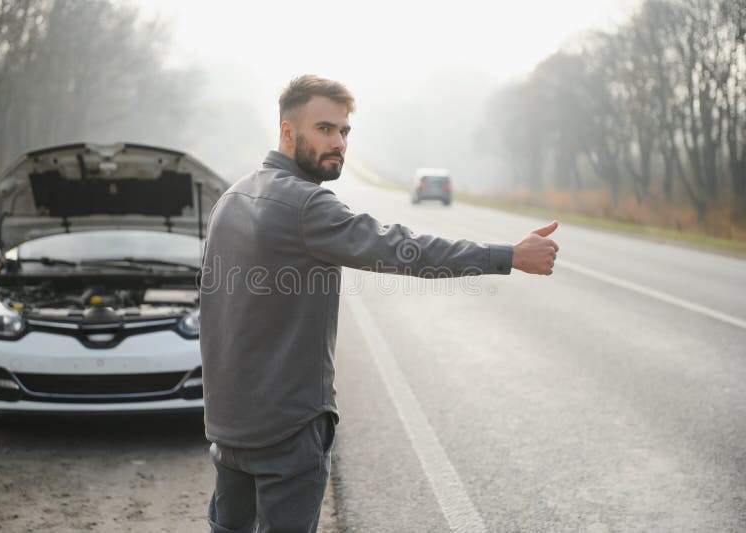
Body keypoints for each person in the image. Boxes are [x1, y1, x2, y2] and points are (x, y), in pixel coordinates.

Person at [199, 74, 559, 533]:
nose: (339, 143)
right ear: (288, 132)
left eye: (345, 131)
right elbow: (403, 249)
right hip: (286, 432)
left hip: (227, 429)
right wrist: (508, 256)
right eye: (325, 129)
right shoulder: (308, 206)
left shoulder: (229, 198)